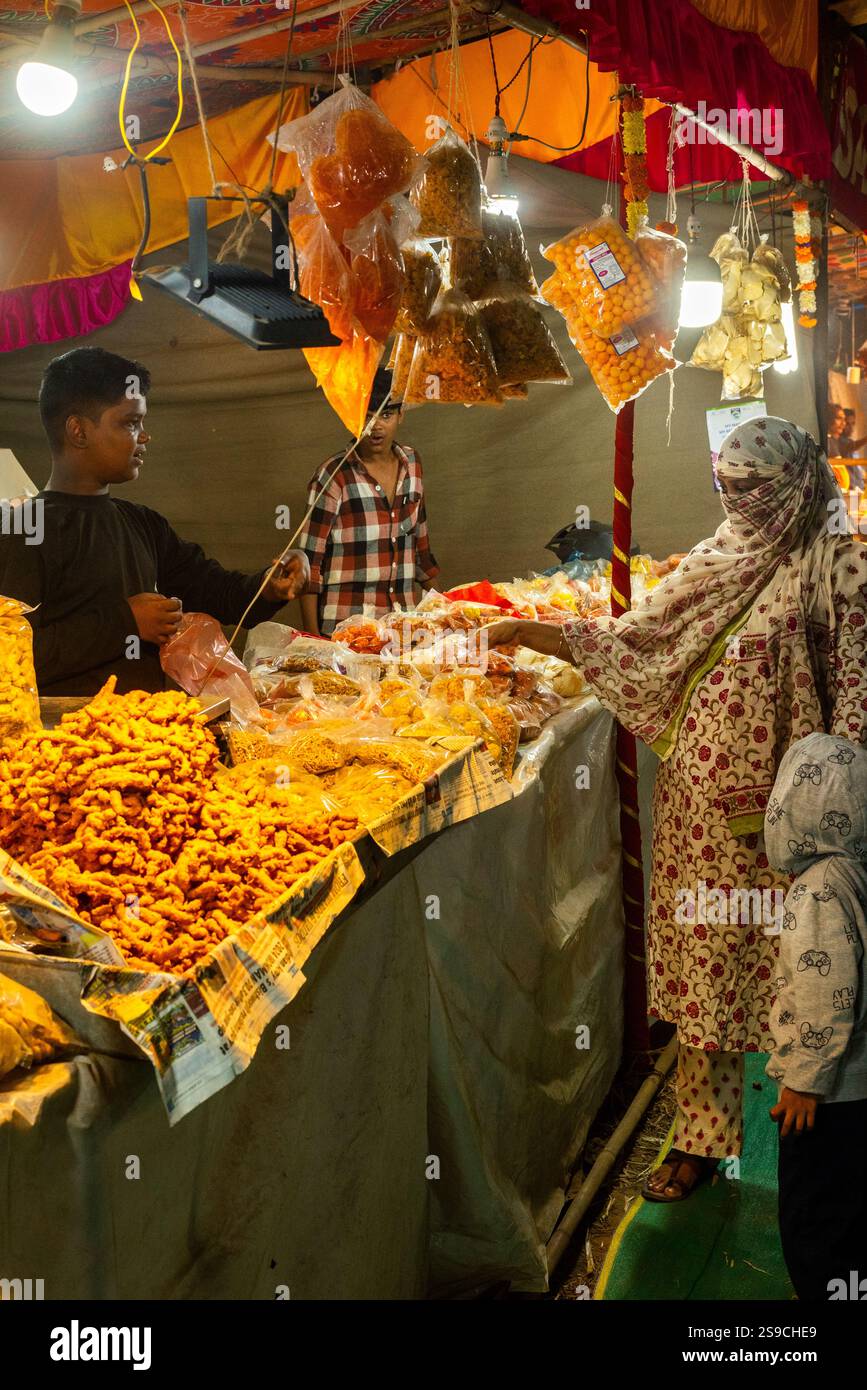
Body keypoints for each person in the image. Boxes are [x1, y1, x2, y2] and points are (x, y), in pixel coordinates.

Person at [484, 417, 867, 1199]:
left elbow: (856, 694)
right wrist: (532, 631)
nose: (739, 503)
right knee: (706, 968)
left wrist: (845, 811)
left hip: (796, 820)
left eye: (754, 490)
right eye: (726, 488)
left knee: (809, 960)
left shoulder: (841, 565)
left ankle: (816, 1127)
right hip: (701, 812)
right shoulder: (715, 556)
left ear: (797, 484)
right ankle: (699, 1138)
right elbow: (636, 639)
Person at [0, 347, 309, 696]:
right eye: (130, 423)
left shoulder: (143, 524)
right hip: (64, 728)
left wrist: (268, 587)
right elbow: (12, 656)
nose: (145, 436)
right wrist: (125, 622)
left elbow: (219, 595)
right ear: (78, 431)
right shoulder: (24, 530)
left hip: (144, 725)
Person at [764, 732, 867, 1301]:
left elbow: (824, 994)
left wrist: (805, 1081)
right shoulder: (857, 872)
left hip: (828, 1099)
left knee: (816, 1223)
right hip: (860, 1088)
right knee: (853, 1215)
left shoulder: (818, 892)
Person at [298, 368, 438, 637]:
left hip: (403, 629)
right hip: (345, 633)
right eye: (366, 416)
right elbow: (308, 567)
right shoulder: (333, 476)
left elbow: (421, 550)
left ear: (400, 415)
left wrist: (447, 611)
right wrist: (313, 640)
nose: (376, 426)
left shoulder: (412, 464)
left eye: (386, 415)